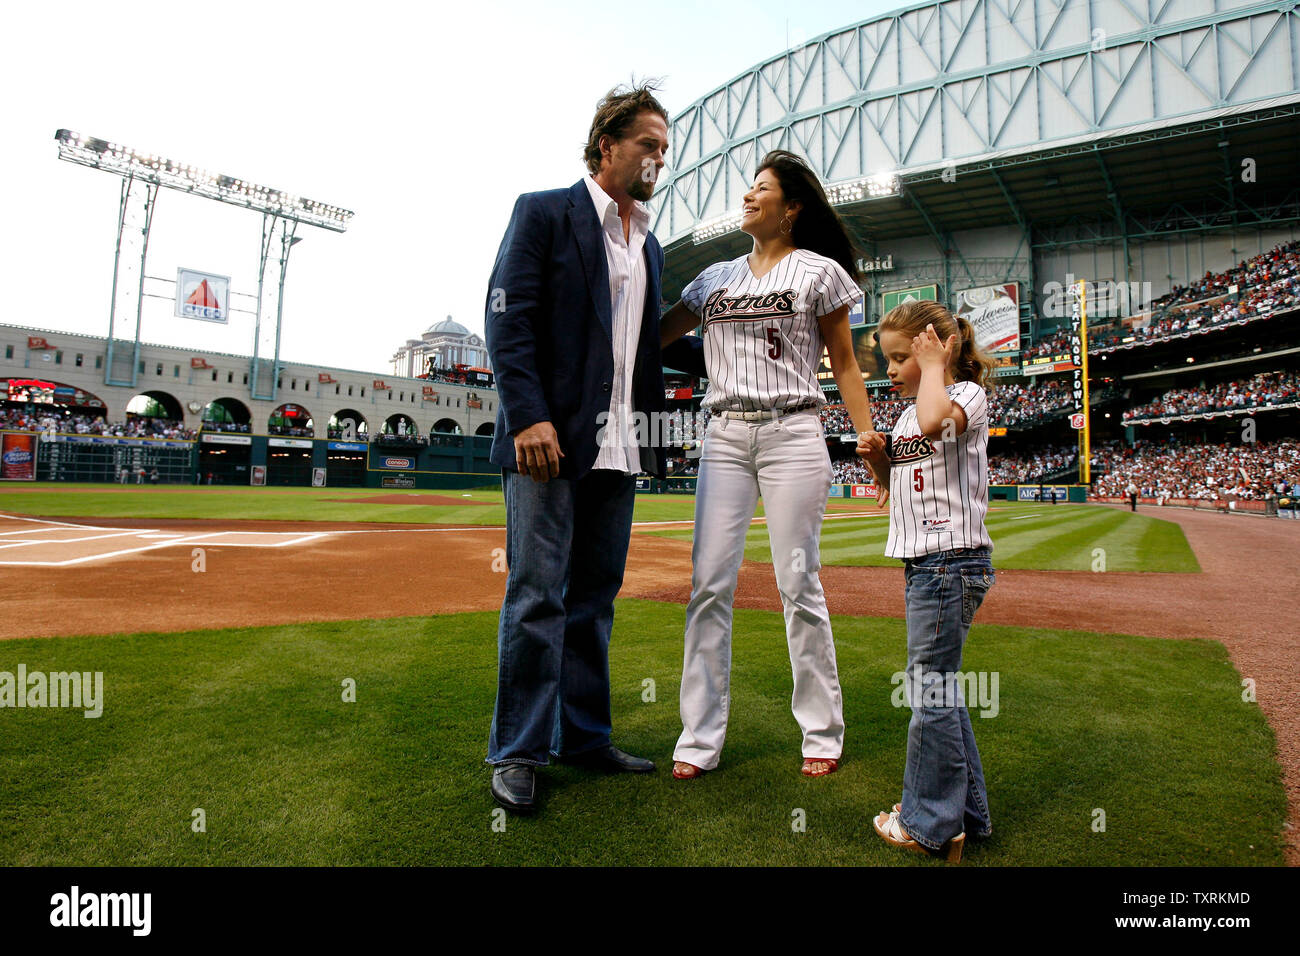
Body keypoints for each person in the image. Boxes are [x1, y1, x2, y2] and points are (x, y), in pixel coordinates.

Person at [483, 83, 684, 814]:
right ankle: (518, 751)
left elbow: (645, 343)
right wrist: (528, 415)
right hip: (549, 442)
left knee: (594, 599)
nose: (659, 158)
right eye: (648, 144)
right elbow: (508, 317)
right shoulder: (543, 211)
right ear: (608, 145)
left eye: (665, 147)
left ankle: (585, 736)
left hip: (619, 445)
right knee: (538, 594)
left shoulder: (649, 242)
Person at [659, 149, 886, 780]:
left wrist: (867, 438)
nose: (748, 196)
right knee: (708, 584)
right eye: (748, 188)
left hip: (793, 432)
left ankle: (821, 730)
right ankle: (699, 737)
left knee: (798, 583)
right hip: (725, 436)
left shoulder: (819, 273)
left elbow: (844, 363)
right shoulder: (712, 279)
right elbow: (655, 335)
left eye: (762, 189)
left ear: (791, 209)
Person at [862, 298, 996, 863]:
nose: (888, 371)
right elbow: (904, 482)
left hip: (950, 560)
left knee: (929, 693)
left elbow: (939, 425)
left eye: (899, 358)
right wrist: (879, 461)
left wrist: (938, 367)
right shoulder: (907, 410)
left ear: (935, 347)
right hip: (928, 562)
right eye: (886, 360)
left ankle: (928, 823)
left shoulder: (964, 394)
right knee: (941, 689)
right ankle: (969, 815)